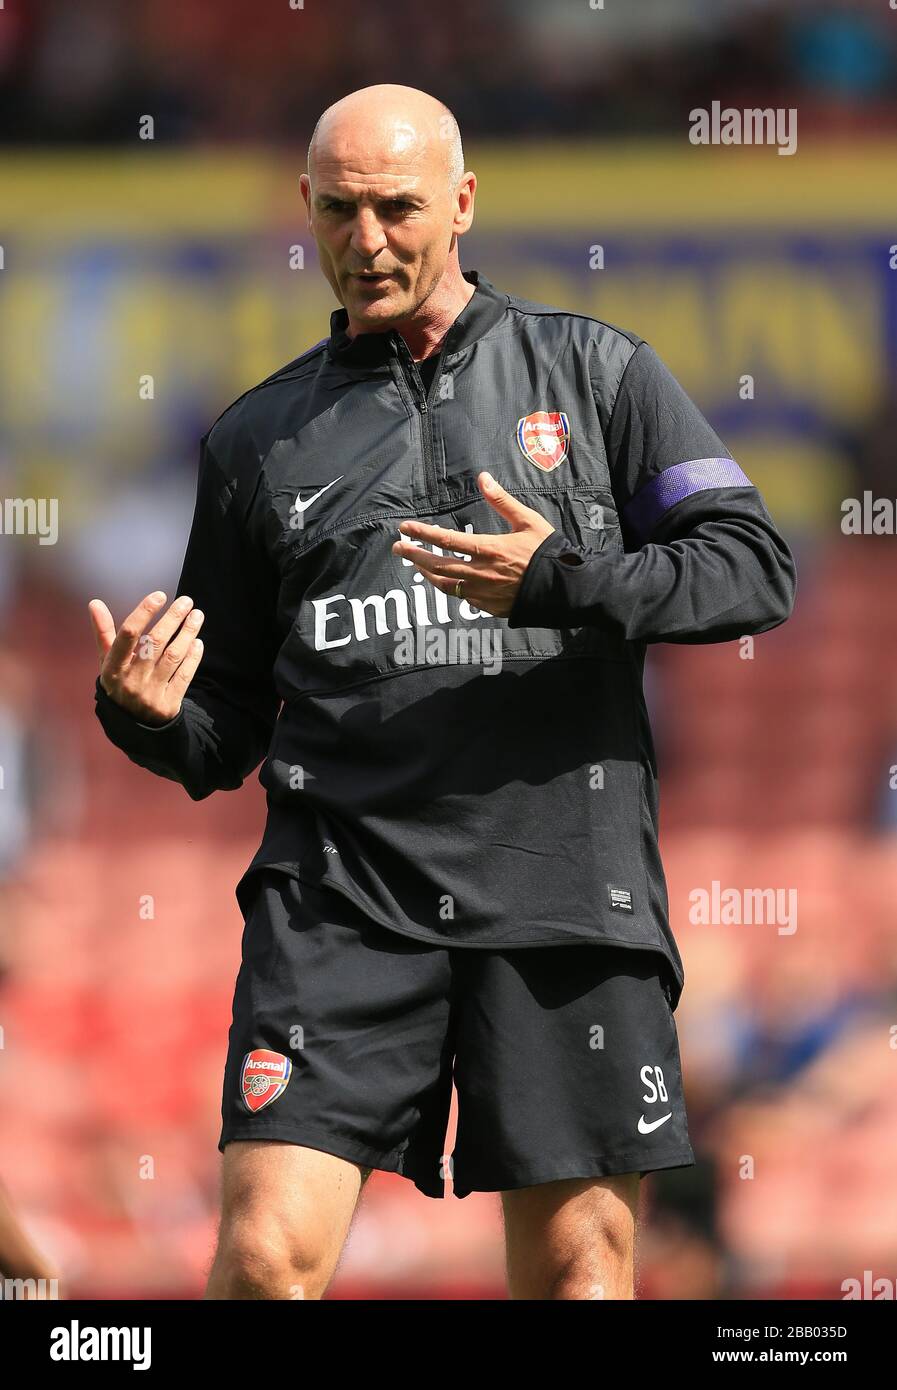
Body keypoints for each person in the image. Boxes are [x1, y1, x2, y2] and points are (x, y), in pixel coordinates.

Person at [88, 84, 796, 1300]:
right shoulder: (256, 443)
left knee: (581, 1268)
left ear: (463, 202)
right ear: (306, 209)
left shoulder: (599, 372)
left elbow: (752, 566)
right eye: (342, 210)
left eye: (399, 208)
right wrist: (146, 715)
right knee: (261, 1259)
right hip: (342, 898)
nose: (369, 241)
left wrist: (565, 580)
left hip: (563, 887)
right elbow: (230, 727)